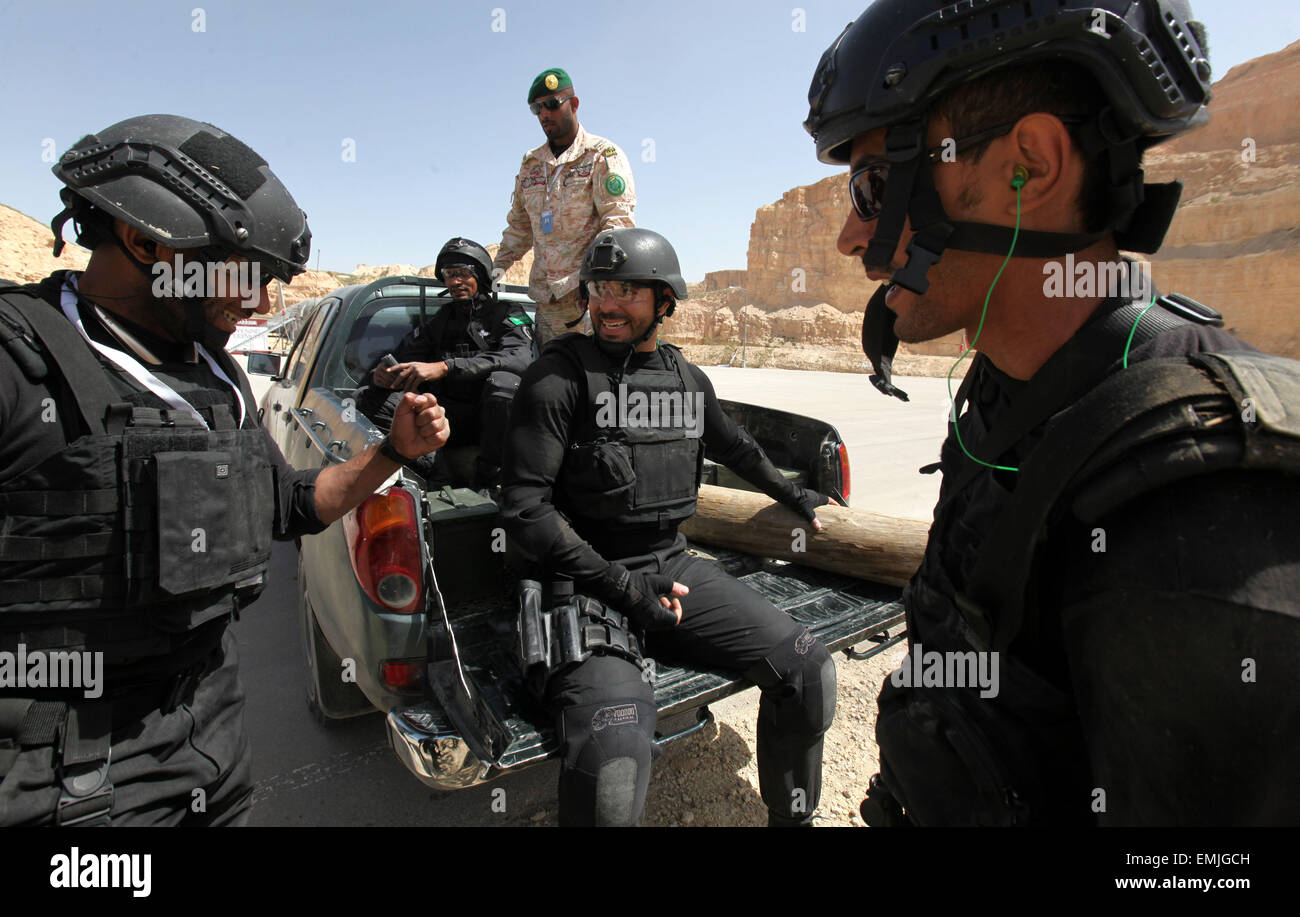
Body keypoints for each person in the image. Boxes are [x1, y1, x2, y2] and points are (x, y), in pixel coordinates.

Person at [804, 0, 1300, 825]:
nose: (853, 237)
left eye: (874, 185)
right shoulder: (1012, 387)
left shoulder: (1195, 491)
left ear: (1028, 164)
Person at [0, 114, 449, 826]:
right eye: (248, 274)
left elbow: (294, 503)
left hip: (209, 750)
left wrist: (390, 452)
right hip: (59, 786)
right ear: (148, 240)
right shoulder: (19, 363)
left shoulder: (215, 375)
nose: (260, 303)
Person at [500, 227, 838, 827]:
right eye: (600, 288)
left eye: (628, 291)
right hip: (581, 581)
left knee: (808, 667)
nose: (608, 304)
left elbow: (736, 448)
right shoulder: (558, 378)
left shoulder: (686, 379)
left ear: (665, 301)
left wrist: (796, 495)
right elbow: (527, 512)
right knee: (614, 747)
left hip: (671, 565)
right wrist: (626, 592)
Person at [357, 237, 533, 487]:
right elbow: (405, 357)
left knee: (504, 383)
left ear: (480, 275)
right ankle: (438, 473)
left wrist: (444, 367)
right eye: (449, 275)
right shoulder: (442, 319)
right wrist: (381, 376)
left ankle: (490, 480)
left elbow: (519, 357)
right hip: (447, 419)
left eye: (462, 273)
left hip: (492, 422)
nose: (454, 282)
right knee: (367, 398)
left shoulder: (508, 313)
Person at [493, 67, 636, 348]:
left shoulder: (601, 156)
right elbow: (519, 228)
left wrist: (593, 282)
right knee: (552, 382)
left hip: (589, 301)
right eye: (537, 109)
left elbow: (617, 224)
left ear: (574, 104)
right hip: (547, 303)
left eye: (552, 104)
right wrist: (495, 270)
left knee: (592, 382)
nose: (544, 114)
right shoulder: (531, 165)